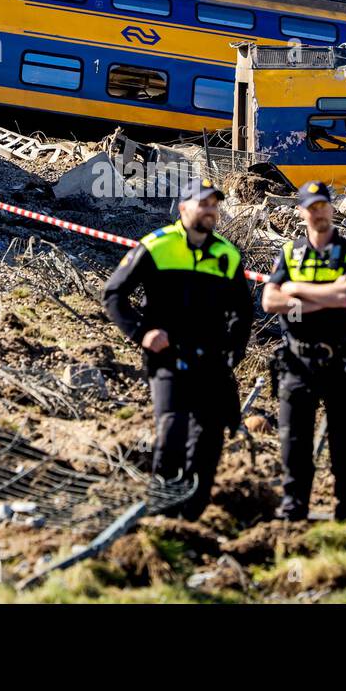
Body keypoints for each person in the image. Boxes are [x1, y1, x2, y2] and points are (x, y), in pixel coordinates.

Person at [102, 176, 254, 520]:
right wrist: (141, 333)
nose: (210, 210)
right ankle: (164, 514)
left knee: (208, 440)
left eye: (214, 204)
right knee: (173, 429)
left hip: (211, 363)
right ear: (183, 207)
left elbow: (243, 313)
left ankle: (192, 517)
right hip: (168, 358)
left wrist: (233, 352)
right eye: (203, 203)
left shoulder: (227, 255)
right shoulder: (157, 245)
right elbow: (114, 295)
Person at [262, 180, 346, 521]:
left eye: (322, 205)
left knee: (345, 441)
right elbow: (268, 300)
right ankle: (295, 509)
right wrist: (316, 297)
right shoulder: (290, 251)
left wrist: (294, 290)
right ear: (300, 211)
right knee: (294, 441)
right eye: (311, 206)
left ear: (332, 208)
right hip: (296, 359)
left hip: (339, 359)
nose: (317, 212)